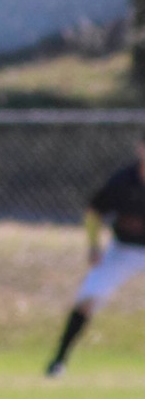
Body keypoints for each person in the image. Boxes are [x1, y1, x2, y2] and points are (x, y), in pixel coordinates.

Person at [45, 137, 145, 377]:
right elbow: (94, 212)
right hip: (123, 250)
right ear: (140, 149)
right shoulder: (123, 181)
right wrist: (93, 246)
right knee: (88, 298)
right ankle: (59, 361)